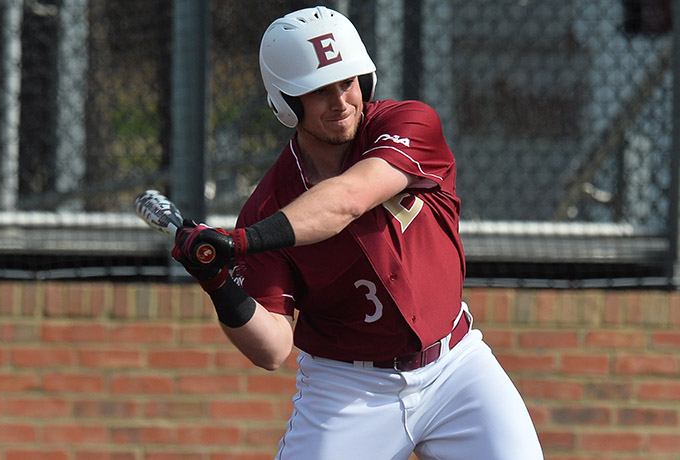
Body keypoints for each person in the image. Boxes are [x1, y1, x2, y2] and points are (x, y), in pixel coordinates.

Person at [171, 6, 543, 460]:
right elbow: (272, 350)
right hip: (348, 388)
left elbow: (348, 198)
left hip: (456, 366)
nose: (340, 101)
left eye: (347, 82)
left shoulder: (409, 123)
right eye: (318, 91)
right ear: (287, 102)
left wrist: (240, 242)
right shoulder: (267, 209)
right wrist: (216, 281)